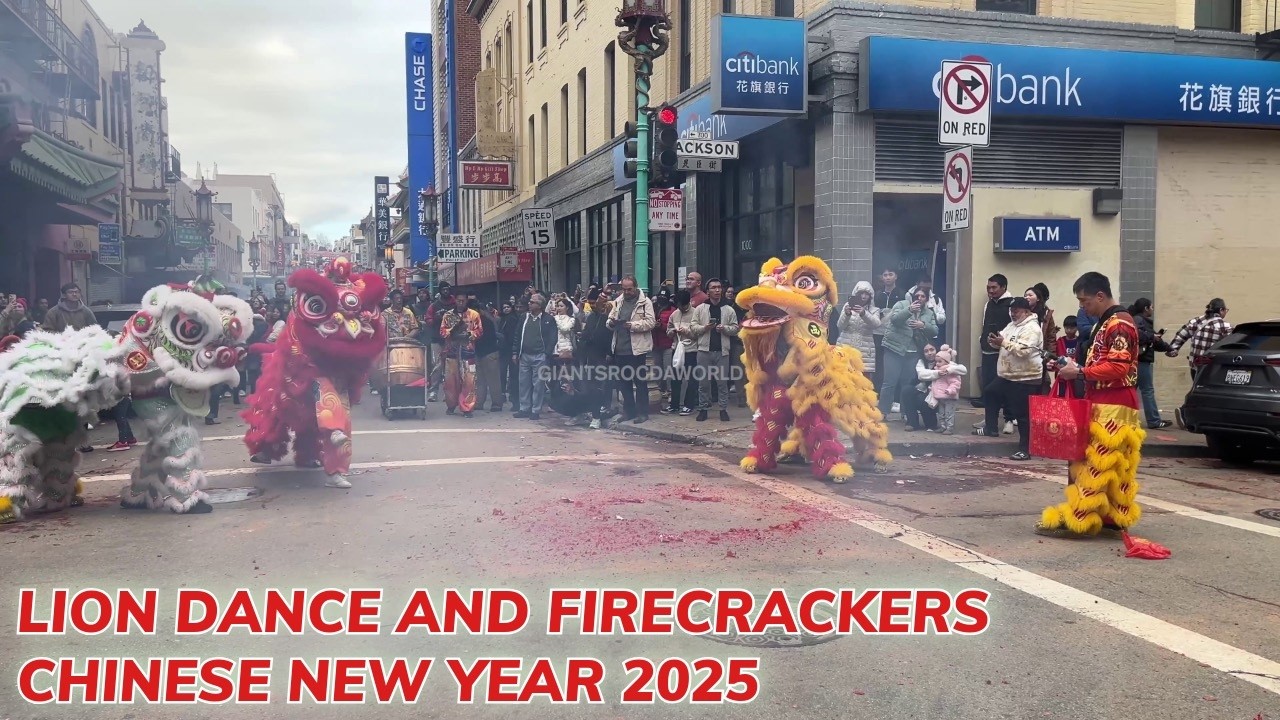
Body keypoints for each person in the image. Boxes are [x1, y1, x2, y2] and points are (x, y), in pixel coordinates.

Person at [1037, 272, 1145, 539]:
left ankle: (1080, 517)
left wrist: (1081, 372)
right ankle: (1110, 515)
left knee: (1093, 463)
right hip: (1107, 399)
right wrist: (1069, 368)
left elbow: (1119, 367)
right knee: (1109, 464)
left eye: (1085, 301)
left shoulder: (1119, 323)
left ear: (1100, 295)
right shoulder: (1108, 322)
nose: (1083, 307)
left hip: (1114, 401)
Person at [981, 296, 1043, 460]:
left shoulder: (1032, 329)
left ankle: (1025, 449)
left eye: (1016, 310)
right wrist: (995, 342)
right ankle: (991, 428)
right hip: (1008, 375)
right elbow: (1003, 340)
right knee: (990, 392)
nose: (1013, 313)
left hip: (1025, 377)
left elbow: (1024, 351)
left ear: (1026, 311)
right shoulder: (1011, 325)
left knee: (1022, 414)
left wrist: (1003, 343)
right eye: (1011, 310)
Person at [878, 288, 938, 419]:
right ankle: (883, 412)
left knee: (907, 383)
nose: (919, 298)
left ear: (926, 299)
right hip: (894, 348)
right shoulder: (901, 304)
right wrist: (909, 310)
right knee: (889, 382)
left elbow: (935, 330)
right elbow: (894, 320)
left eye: (923, 296)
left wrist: (923, 325)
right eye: (917, 295)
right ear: (912, 296)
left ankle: (905, 413)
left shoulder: (929, 313)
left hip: (913, 351)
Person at [607, 276, 656, 423]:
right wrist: (611, 323)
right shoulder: (618, 301)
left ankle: (643, 413)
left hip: (637, 349)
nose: (627, 292)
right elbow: (609, 320)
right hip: (620, 348)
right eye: (624, 289)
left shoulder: (644, 302)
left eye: (630, 289)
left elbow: (651, 322)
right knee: (624, 383)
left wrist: (632, 325)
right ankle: (629, 411)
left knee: (640, 382)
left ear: (635, 287)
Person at [1129, 298, 1172, 429]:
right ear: (1146, 308)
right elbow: (1138, 335)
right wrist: (1153, 337)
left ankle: (1126, 420)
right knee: (1147, 390)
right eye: (1151, 307)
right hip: (1140, 361)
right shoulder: (1138, 320)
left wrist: (1168, 348)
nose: (1153, 310)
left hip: (1137, 360)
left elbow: (1154, 342)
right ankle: (1154, 421)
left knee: (1131, 391)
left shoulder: (1141, 321)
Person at [513, 294, 557, 421]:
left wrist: (546, 353)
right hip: (524, 355)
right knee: (523, 383)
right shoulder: (524, 317)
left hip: (540, 356)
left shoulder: (548, 319)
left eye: (532, 302)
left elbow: (553, 338)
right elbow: (517, 335)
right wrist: (515, 352)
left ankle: (535, 410)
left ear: (539, 305)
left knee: (538, 384)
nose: (529, 304)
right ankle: (524, 408)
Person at [1166, 298, 1231, 382]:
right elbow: (1231, 345)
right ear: (1221, 310)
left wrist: (1172, 350)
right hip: (1212, 368)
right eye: (1226, 310)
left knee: (1197, 390)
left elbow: (1181, 335)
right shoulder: (1225, 326)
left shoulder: (1195, 321)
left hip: (1195, 368)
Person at [440, 292, 483, 418]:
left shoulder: (474, 314)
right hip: (451, 351)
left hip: (468, 351)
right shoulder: (447, 315)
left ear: (466, 301)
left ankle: (467, 408)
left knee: (469, 381)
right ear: (455, 301)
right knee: (450, 381)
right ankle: (451, 405)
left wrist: (469, 335)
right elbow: (442, 331)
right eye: (458, 300)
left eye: (463, 301)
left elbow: (479, 330)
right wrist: (452, 332)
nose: (461, 303)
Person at [835, 281, 882, 377]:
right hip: (846, 347)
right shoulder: (847, 306)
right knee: (844, 379)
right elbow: (840, 325)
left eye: (866, 294)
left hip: (864, 350)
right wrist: (847, 314)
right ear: (856, 294)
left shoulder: (875, 310)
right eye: (861, 294)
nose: (864, 296)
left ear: (870, 296)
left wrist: (864, 314)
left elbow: (876, 324)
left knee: (863, 381)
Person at [927, 345, 966, 435]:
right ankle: (942, 426)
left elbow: (955, 383)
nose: (937, 364)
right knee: (941, 413)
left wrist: (950, 390)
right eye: (936, 362)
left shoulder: (950, 372)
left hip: (949, 397)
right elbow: (936, 382)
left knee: (949, 413)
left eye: (940, 361)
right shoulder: (938, 371)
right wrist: (932, 389)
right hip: (940, 396)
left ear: (946, 361)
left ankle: (949, 428)